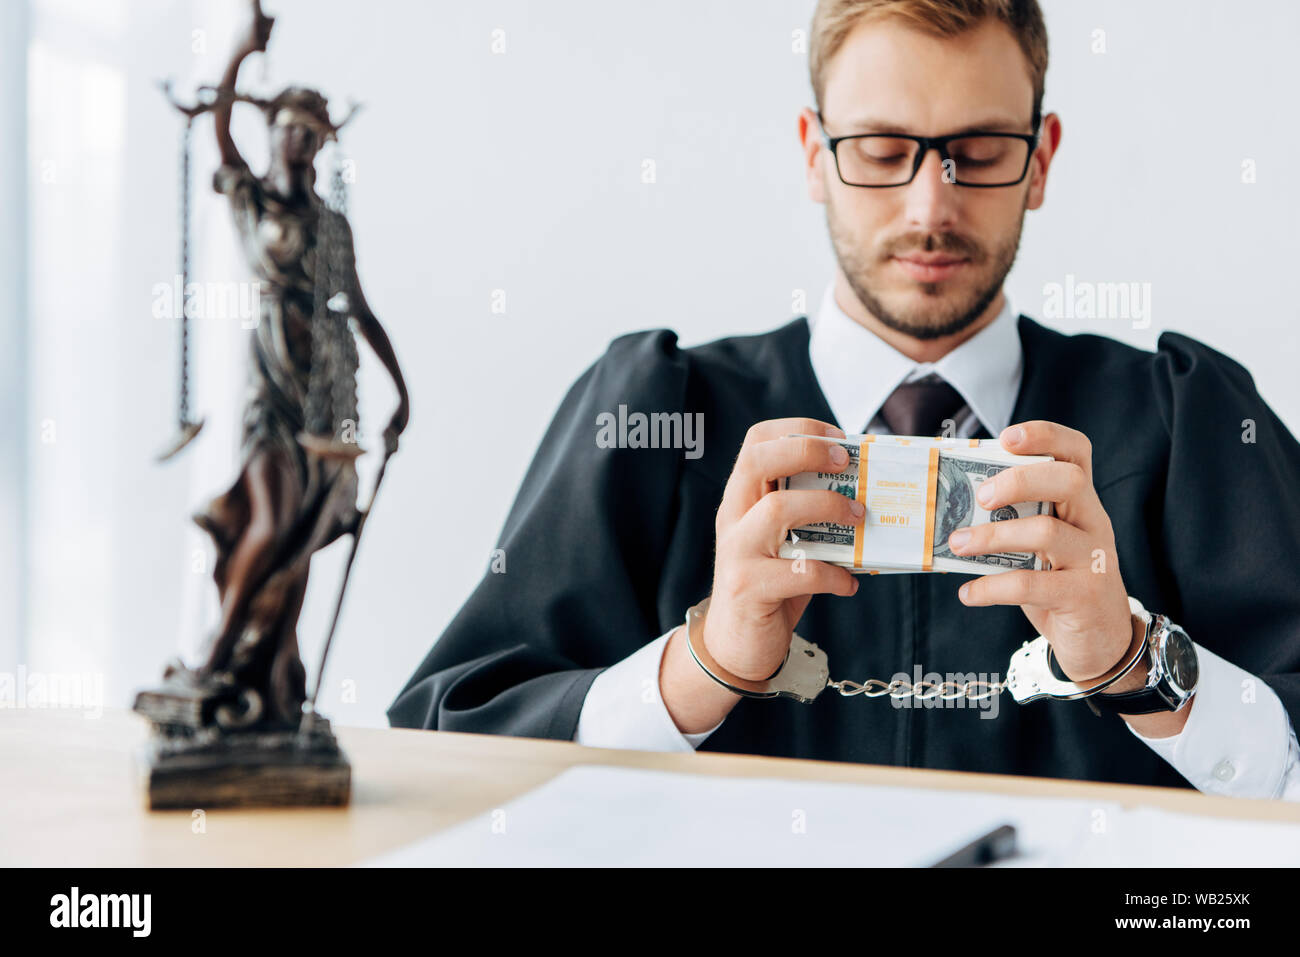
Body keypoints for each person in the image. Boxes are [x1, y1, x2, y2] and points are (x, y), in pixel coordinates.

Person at [390, 0, 1299, 799]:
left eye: (980, 152)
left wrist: (1140, 663)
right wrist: (697, 670)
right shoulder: (655, 418)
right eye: (882, 151)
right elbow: (447, 752)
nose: (929, 207)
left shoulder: (1187, 423)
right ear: (814, 156)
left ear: (1040, 160)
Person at [186, 8, 409, 727]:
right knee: (272, 517)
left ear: (322, 143)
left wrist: (402, 392)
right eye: (289, 127)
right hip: (270, 389)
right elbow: (219, 128)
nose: (299, 140)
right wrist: (239, 53)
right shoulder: (251, 200)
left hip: (326, 399)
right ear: (274, 132)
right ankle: (215, 657)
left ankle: (274, 673)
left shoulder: (331, 224)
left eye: (312, 132)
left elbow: (360, 307)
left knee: (304, 539)